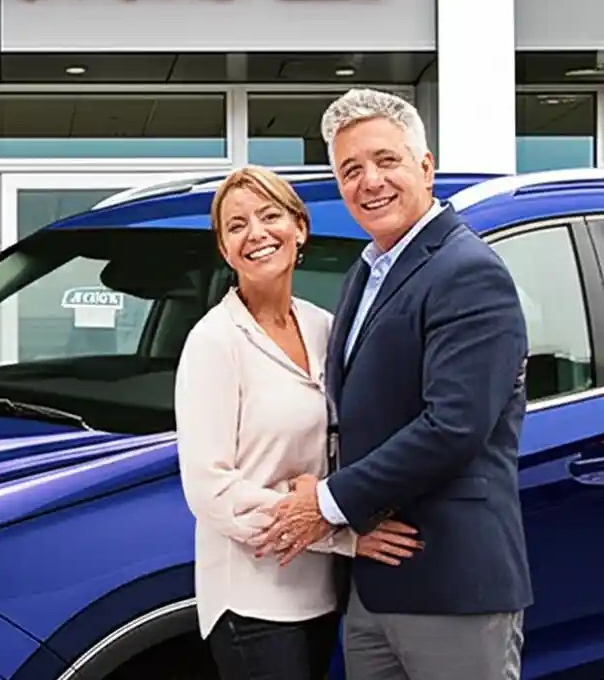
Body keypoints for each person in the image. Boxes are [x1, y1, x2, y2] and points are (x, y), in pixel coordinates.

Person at [256, 88, 533, 679]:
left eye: (386, 160)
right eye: (350, 169)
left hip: (452, 584)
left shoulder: (468, 271)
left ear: (425, 168)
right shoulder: (368, 269)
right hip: (376, 584)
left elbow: (453, 425)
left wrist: (327, 505)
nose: (370, 181)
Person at [174, 165, 423, 680]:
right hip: (253, 601)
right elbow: (210, 489)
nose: (257, 234)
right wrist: (342, 534)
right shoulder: (215, 342)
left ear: (299, 228)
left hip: (322, 592)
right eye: (236, 225)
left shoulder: (323, 327)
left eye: (270, 216)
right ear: (224, 249)